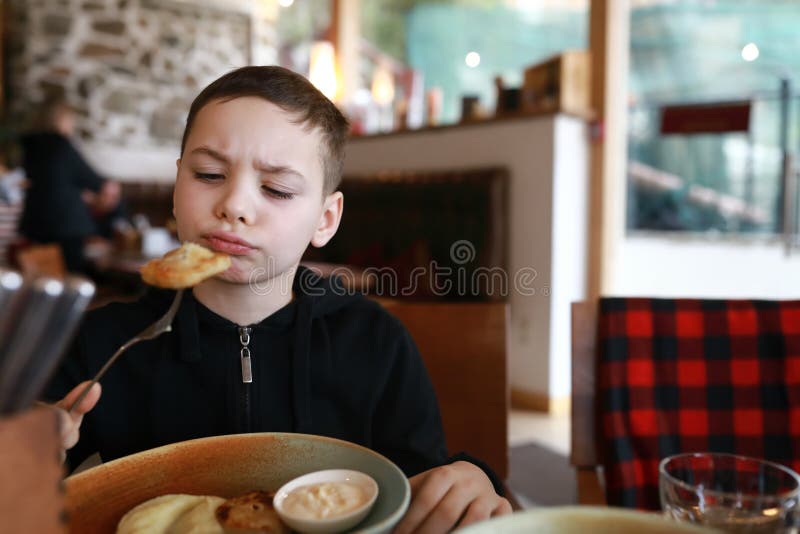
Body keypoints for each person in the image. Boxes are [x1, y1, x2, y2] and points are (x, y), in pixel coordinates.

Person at [45, 66, 511, 532]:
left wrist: (472, 480)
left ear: (325, 219)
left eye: (276, 189)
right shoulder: (102, 343)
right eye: (208, 174)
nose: (236, 206)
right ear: (176, 186)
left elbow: (421, 491)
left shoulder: (375, 343)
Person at [18, 98, 120, 273]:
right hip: (65, 225)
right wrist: (109, 188)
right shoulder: (61, 145)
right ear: (63, 119)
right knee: (70, 277)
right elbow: (93, 179)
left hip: (35, 222)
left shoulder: (30, 147)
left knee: (42, 277)